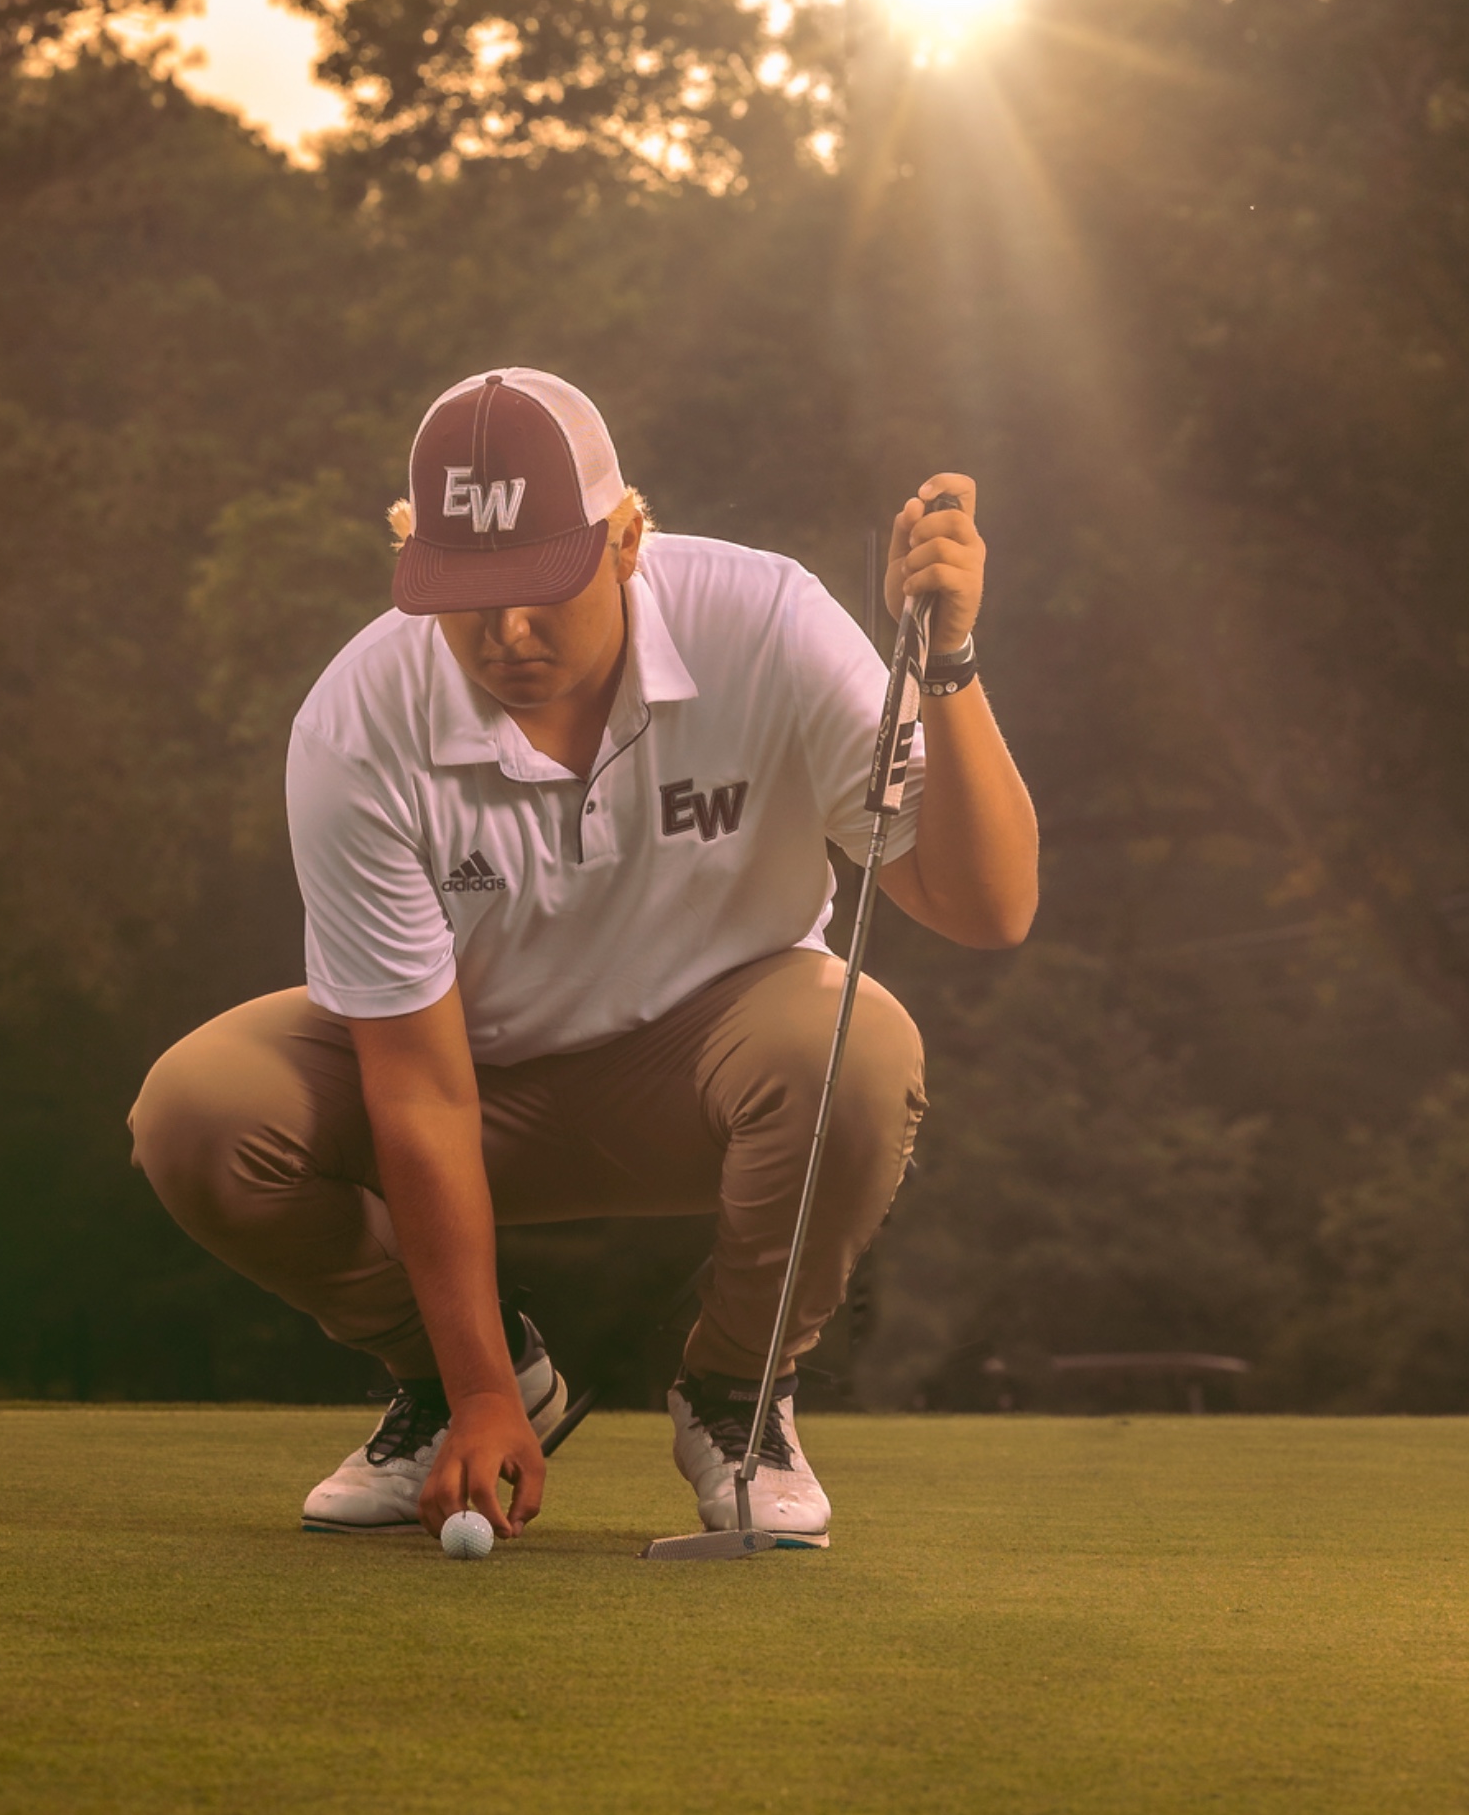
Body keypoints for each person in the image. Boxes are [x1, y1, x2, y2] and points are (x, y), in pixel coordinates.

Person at [129, 369, 1038, 1540]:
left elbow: (986, 903)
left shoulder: (767, 621)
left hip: (715, 1071)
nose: (507, 634)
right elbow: (414, 1081)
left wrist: (949, 664)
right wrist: (479, 1392)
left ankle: (735, 1395)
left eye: (541, 590)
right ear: (412, 556)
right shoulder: (356, 719)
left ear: (624, 540)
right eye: (468, 596)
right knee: (197, 1111)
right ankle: (466, 1376)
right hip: (471, 1079)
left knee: (860, 1045)